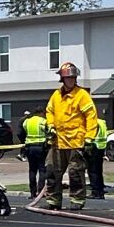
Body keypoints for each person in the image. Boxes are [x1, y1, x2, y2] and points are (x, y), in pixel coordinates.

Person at [42, 62, 96, 210]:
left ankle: (77, 200)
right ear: (62, 79)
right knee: (52, 171)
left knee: (75, 173)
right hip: (58, 141)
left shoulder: (82, 95)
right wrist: (51, 126)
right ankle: (53, 199)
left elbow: (91, 116)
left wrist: (89, 137)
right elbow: (50, 112)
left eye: (72, 78)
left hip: (76, 141)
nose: (70, 80)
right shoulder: (56, 95)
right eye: (67, 78)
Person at [19, 110, 48, 198]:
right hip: (40, 147)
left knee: (32, 170)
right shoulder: (43, 121)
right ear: (41, 113)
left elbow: (20, 133)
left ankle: (32, 193)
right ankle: (40, 192)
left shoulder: (27, 121)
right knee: (42, 170)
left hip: (29, 147)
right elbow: (49, 132)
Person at [85, 114, 108, 200]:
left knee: (93, 171)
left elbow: (90, 136)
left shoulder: (93, 123)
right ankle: (100, 190)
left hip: (93, 147)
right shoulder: (102, 122)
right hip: (101, 147)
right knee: (98, 171)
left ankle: (96, 192)